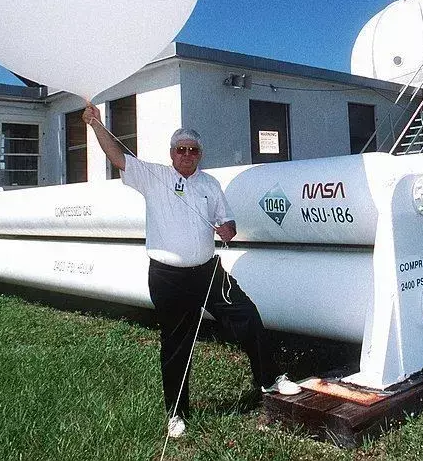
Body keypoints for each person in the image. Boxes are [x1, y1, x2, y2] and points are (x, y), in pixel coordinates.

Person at [82, 104, 301, 440]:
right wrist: (96, 123)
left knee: (248, 317)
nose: (186, 155)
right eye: (180, 149)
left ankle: (269, 380)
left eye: (193, 150)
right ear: (171, 153)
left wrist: (228, 229)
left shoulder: (210, 184)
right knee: (175, 345)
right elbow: (118, 157)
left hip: (208, 273)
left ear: (200, 155)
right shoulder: (153, 176)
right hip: (167, 277)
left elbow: (227, 222)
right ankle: (176, 414)